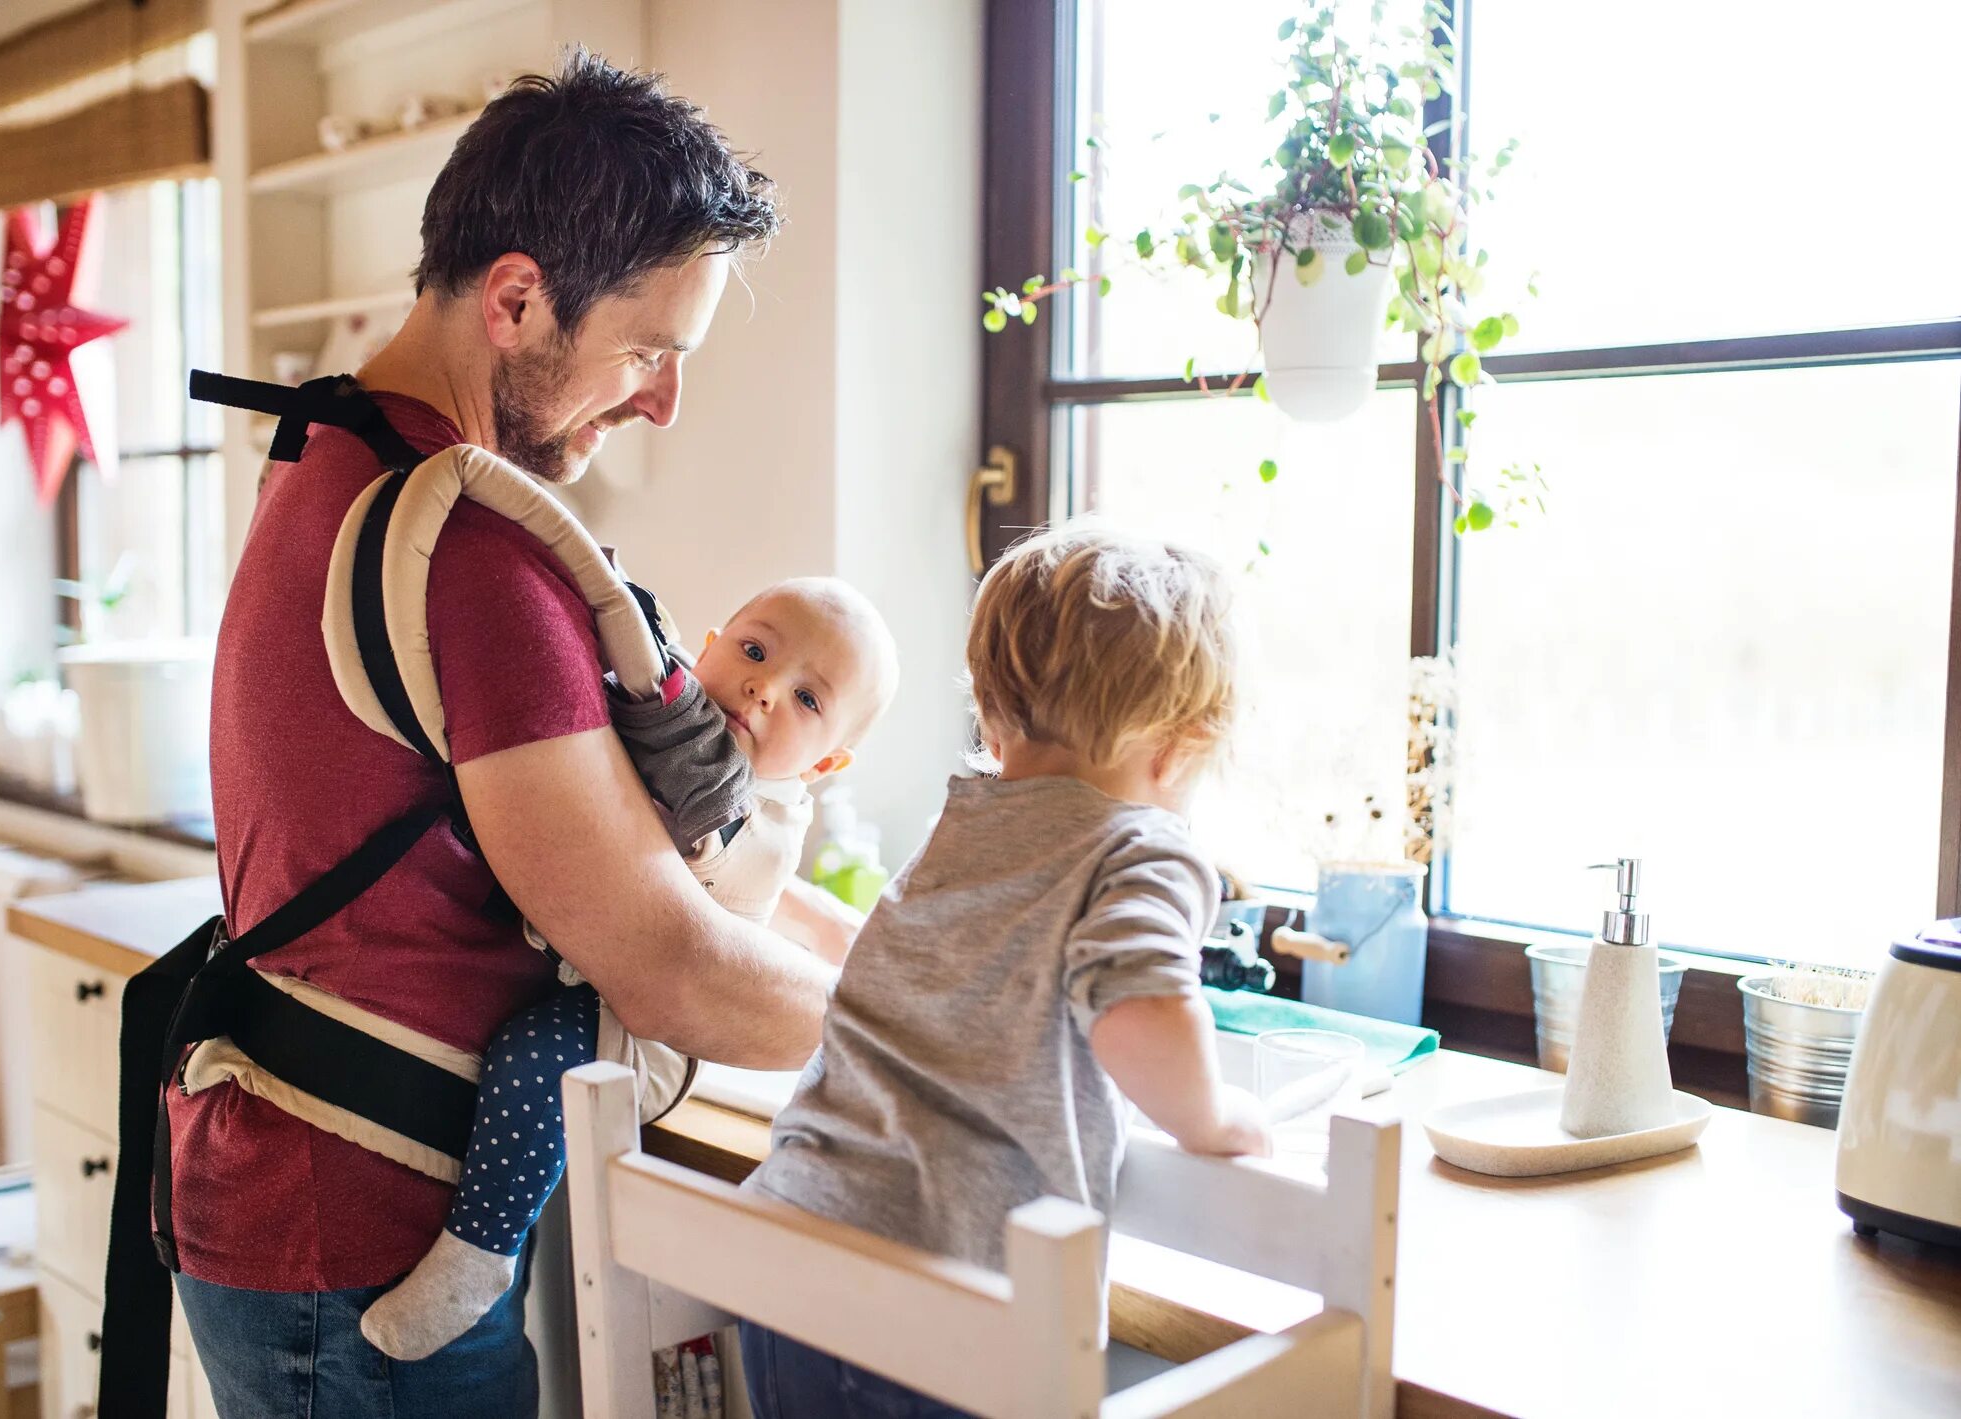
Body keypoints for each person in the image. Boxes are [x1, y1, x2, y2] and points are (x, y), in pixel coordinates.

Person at [179, 55, 839, 1417]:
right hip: (357, 1249)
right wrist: (938, 1034)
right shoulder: (475, 558)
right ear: (517, 297)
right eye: (650, 350)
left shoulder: (332, 446)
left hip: (289, 1205)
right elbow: (664, 965)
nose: (662, 399)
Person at [739, 524, 1275, 1419]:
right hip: (938, 1293)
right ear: (1181, 747)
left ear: (989, 712)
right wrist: (1216, 1116)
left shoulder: (968, 820)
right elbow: (1138, 1009)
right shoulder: (1146, 848)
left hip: (788, 1248)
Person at [359, 576, 899, 1361]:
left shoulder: (744, 803)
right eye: (753, 651)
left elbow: (702, 879)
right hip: (594, 971)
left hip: (650, 1035)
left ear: (827, 762)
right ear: (708, 646)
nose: (763, 688)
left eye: (808, 700)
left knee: (532, 1054)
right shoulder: (697, 745)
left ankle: (480, 1253)